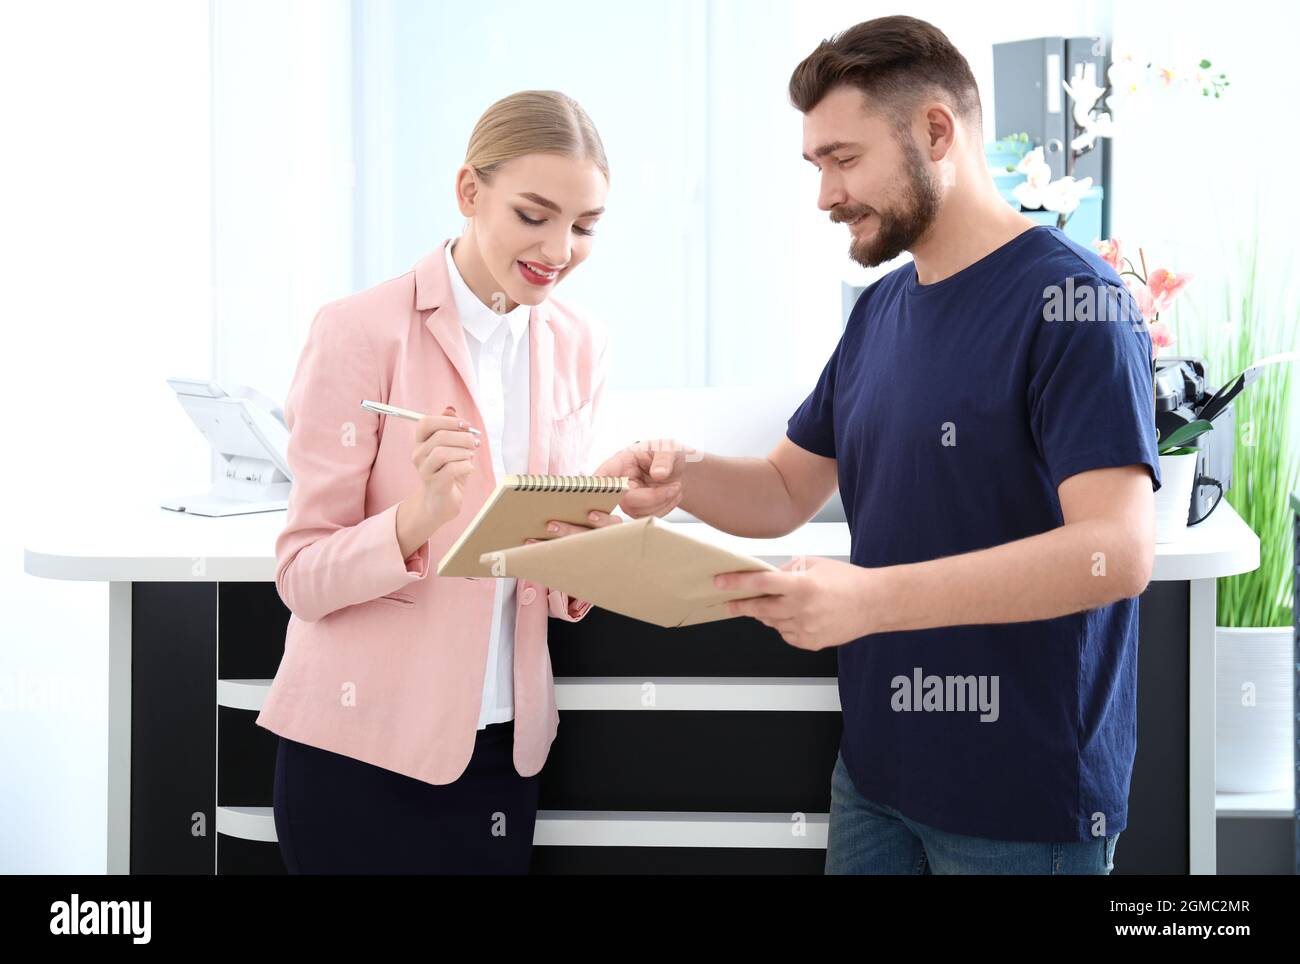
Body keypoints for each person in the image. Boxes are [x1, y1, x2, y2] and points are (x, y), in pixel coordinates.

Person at [591, 16, 1161, 875]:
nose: (825, 196)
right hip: (878, 779)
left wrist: (871, 602)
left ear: (937, 131)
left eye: (845, 159)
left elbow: (1115, 552)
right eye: (817, 166)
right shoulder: (881, 311)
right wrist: (685, 475)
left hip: (1023, 803)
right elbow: (787, 490)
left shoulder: (1078, 304)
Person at [257, 89, 625, 874]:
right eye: (534, 214)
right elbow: (300, 577)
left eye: (585, 226)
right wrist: (415, 519)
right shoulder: (360, 331)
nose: (559, 248)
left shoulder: (579, 343)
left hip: (501, 751)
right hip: (358, 751)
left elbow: (543, 565)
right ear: (469, 192)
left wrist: (597, 534)